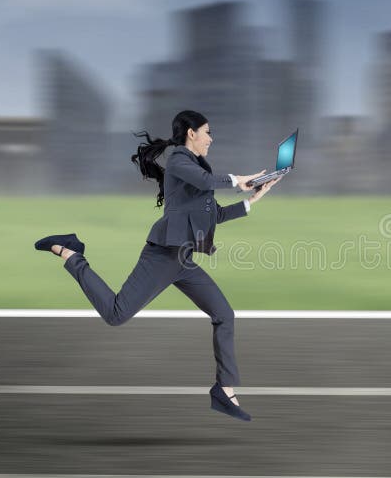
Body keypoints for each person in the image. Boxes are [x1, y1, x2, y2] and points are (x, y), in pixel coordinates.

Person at [34, 110, 279, 422]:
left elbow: (214, 214)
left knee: (224, 314)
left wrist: (252, 200)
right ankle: (71, 253)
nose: (211, 138)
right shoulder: (179, 161)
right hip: (163, 255)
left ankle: (224, 389)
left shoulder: (197, 169)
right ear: (191, 133)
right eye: (207, 132)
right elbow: (207, 181)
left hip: (183, 259)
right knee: (116, 314)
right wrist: (238, 180)